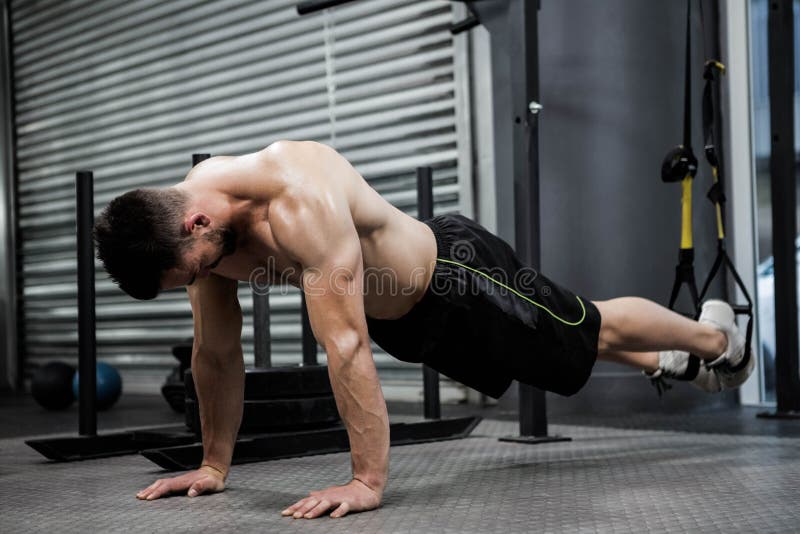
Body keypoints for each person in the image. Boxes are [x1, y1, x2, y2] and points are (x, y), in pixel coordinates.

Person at [94, 140, 754, 520]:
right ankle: (676, 362)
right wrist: (213, 465)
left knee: (590, 322)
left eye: (195, 272)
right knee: (567, 356)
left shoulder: (294, 200)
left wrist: (366, 481)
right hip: (408, 323)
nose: (205, 283)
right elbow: (215, 355)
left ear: (195, 227)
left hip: (463, 281)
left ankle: (717, 340)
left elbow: (344, 346)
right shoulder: (191, 217)